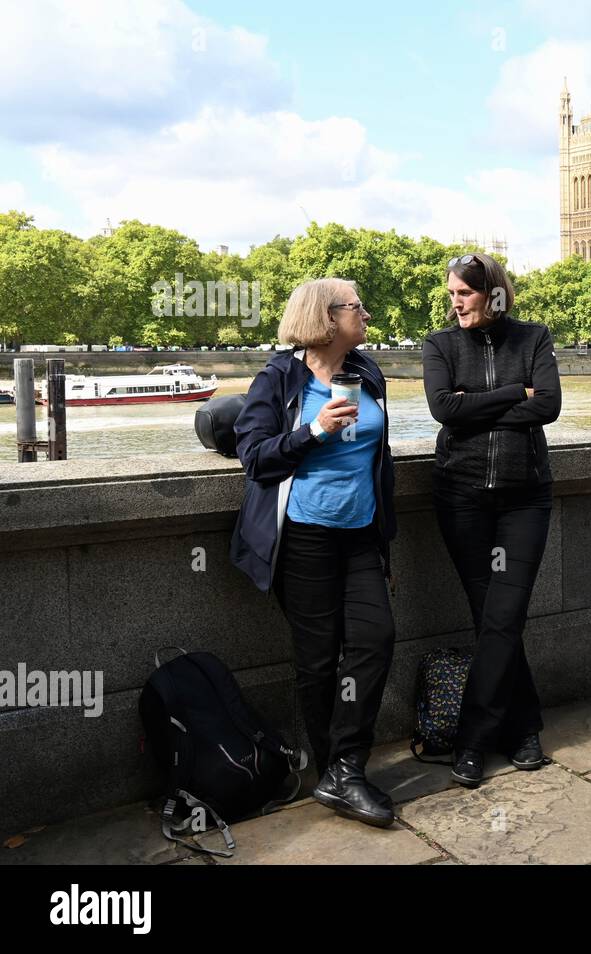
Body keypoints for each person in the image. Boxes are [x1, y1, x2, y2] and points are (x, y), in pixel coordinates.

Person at [231, 277, 398, 827]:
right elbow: (254, 457)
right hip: (302, 537)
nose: (367, 315)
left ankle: (344, 770)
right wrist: (315, 430)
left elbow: (379, 454)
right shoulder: (278, 377)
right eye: (357, 307)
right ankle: (337, 772)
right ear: (326, 319)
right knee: (319, 662)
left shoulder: (367, 371)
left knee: (376, 639)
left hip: (360, 534)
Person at [423, 252, 561, 788]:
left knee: (503, 616)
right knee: (493, 619)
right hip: (461, 497)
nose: (454, 302)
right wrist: (510, 394)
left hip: (524, 498)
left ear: (493, 295)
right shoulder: (440, 344)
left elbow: (548, 406)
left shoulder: (534, 338)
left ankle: (475, 738)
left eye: (464, 293)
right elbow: (444, 410)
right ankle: (524, 727)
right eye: (451, 293)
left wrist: (473, 405)